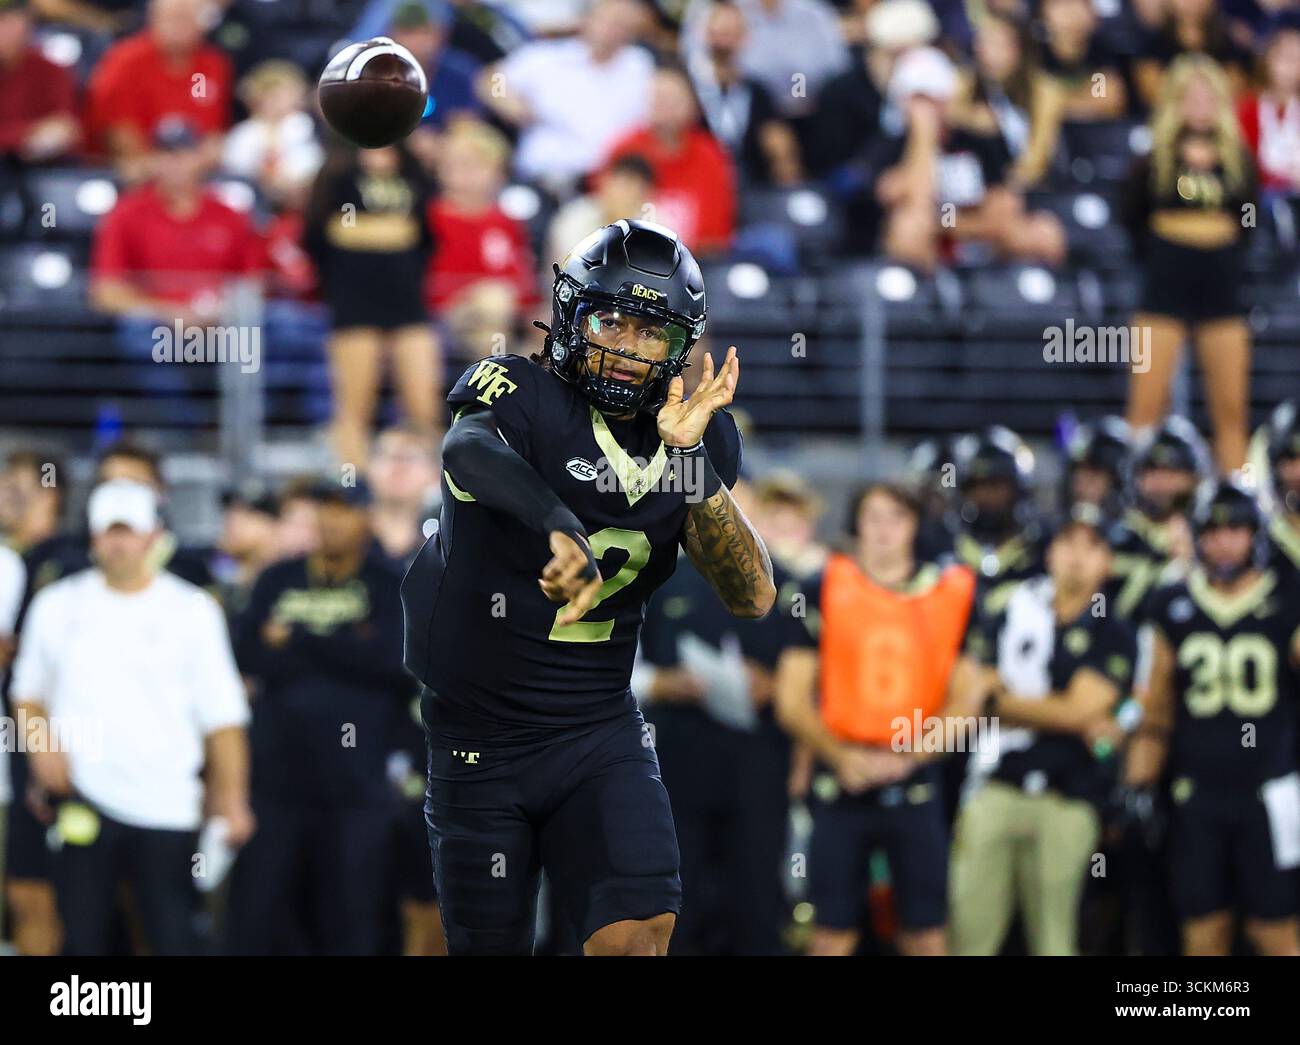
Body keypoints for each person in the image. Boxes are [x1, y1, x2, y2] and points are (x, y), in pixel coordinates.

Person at [401, 218, 776, 955]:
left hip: (596, 729)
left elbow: (754, 595)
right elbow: (468, 447)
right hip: (481, 739)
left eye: (652, 332)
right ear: (571, 313)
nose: (629, 348)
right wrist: (557, 522)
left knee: (640, 933)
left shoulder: (695, 436)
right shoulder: (519, 388)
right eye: (614, 320)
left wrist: (690, 458)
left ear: (683, 345)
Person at [10, 479, 253, 955]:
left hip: (168, 804)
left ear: (153, 535)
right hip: (83, 800)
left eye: (128, 531)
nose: (118, 542)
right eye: (108, 532)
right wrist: (40, 750)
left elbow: (222, 715)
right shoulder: (56, 604)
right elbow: (27, 694)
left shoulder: (192, 609)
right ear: (94, 537)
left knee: (172, 936)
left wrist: (233, 798)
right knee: (83, 941)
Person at [775, 482, 975, 956]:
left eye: (897, 517)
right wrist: (841, 756)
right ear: (856, 525)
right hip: (840, 778)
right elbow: (790, 697)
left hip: (917, 780)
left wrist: (911, 756)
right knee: (831, 933)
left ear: (914, 526)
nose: (884, 530)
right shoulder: (821, 587)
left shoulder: (952, 592)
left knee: (925, 933)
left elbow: (970, 698)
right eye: (873, 517)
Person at [227, 479, 413, 955]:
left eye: (343, 510)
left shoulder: (389, 581)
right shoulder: (278, 577)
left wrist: (297, 639)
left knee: (352, 921)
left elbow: (395, 661)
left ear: (366, 518)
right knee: (260, 918)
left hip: (357, 788)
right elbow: (248, 653)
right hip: (276, 785)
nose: (331, 521)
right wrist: (350, 642)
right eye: (324, 510)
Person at [948, 502, 1137, 956]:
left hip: (1068, 797)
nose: (1076, 555)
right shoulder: (1012, 608)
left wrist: (999, 702)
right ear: (1050, 552)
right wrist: (1063, 712)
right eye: (1067, 542)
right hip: (996, 785)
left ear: (1108, 562)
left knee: (1055, 941)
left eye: (1092, 546)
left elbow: (1076, 711)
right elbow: (972, 688)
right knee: (968, 934)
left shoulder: (1115, 631)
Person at [1126, 480, 1300, 955]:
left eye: (1236, 531)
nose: (1224, 542)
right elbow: (1154, 703)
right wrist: (1138, 782)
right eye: (1214, 531)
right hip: (1196, 792)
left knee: (1277, 930)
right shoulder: (1171, 604)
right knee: (1203, 929)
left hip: (1271, 791)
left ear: (1255, 535)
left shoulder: (1287, 598)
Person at [637, 477, 800, 955]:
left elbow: (815, 671)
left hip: (759, 760)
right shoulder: (661, 577)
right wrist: (664, 684)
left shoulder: (787, 583)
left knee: (755, 890)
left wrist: (775, 684)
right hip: (680, 755)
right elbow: (621, 669)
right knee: (680, 891)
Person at [1123, 55, 1257, 474]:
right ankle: (1138, 494)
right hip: (1163, 289)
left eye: (1207, 96)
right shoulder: (1153, 159)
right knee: (1145, 406)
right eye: (1190, 96)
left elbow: (1250, 219)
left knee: (1231, 410)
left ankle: (1235, 492)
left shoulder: (1238, 161)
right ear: (1174, 102)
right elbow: (1131, 216)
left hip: (1221, 292)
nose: (1199, 105)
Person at [302, 141, 439, 469]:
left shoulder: (413, 171)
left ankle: (434, 490)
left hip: (407, 303)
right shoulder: (337, 173)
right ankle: (356, 488)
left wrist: (366, 232)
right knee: (353, 408)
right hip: (353, 304)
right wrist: (392, 231)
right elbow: (318, 235)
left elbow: (425, 234)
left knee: (425, 407)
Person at [475, 0, 654, 192]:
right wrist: (511, 104)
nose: (613, 30)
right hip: (543, 178)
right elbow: (491, 79)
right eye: (608, 21)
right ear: (587, 20)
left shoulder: (639, 66)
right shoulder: (547, 57)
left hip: (608, 182)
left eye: (622, 25)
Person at [424, 118, 539, 364]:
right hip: (444, 316)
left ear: (498, 172)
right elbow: (423, 281)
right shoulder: (431, 218)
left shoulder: (506, 221)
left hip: (502, 317)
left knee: (551, 331)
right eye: (455, 165)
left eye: (475, 165)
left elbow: (523, 280)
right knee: (493, 305)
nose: (464, 174)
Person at [83, 0, 233, 178]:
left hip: (196, 172)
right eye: (172, 18)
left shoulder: (212, 64)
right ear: (153, 19)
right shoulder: (124, 61)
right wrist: (165, 166)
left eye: (186, 18)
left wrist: (194, 163)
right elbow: (118, 132)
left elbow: (212, 131)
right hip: (134, 169)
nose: (179, 26)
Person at [603, 65, 738, 256]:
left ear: (693, 105)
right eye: (658, 99)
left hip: (694, 264)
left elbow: (717, 232)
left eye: (672, 100)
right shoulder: (624, 150)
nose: (664, 107)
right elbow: (605, 213)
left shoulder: (710, 155)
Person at [684, 1, 803, 188]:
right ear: (703, 34)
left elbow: (778, 141)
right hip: (696, 181)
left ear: (745, 38)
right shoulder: (686, 86)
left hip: (749, 185)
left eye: (732, 34)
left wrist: (784, 161)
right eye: (719, 33)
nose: (724, 42)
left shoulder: (757, 91)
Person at [220, 60, 324, 206]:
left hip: (297, 196)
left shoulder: (301, 125)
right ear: (261, 98)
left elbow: (311, 165)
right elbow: (235, 170)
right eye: (280, 95)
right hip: (254, 197)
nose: (292, 101)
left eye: (293, 95)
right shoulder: (244, 133)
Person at [0, 0, 80, 164]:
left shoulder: (48, 70)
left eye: (13, 22)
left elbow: (65, 129)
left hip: (29, 168)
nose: (7, 31)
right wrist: (23, 134)